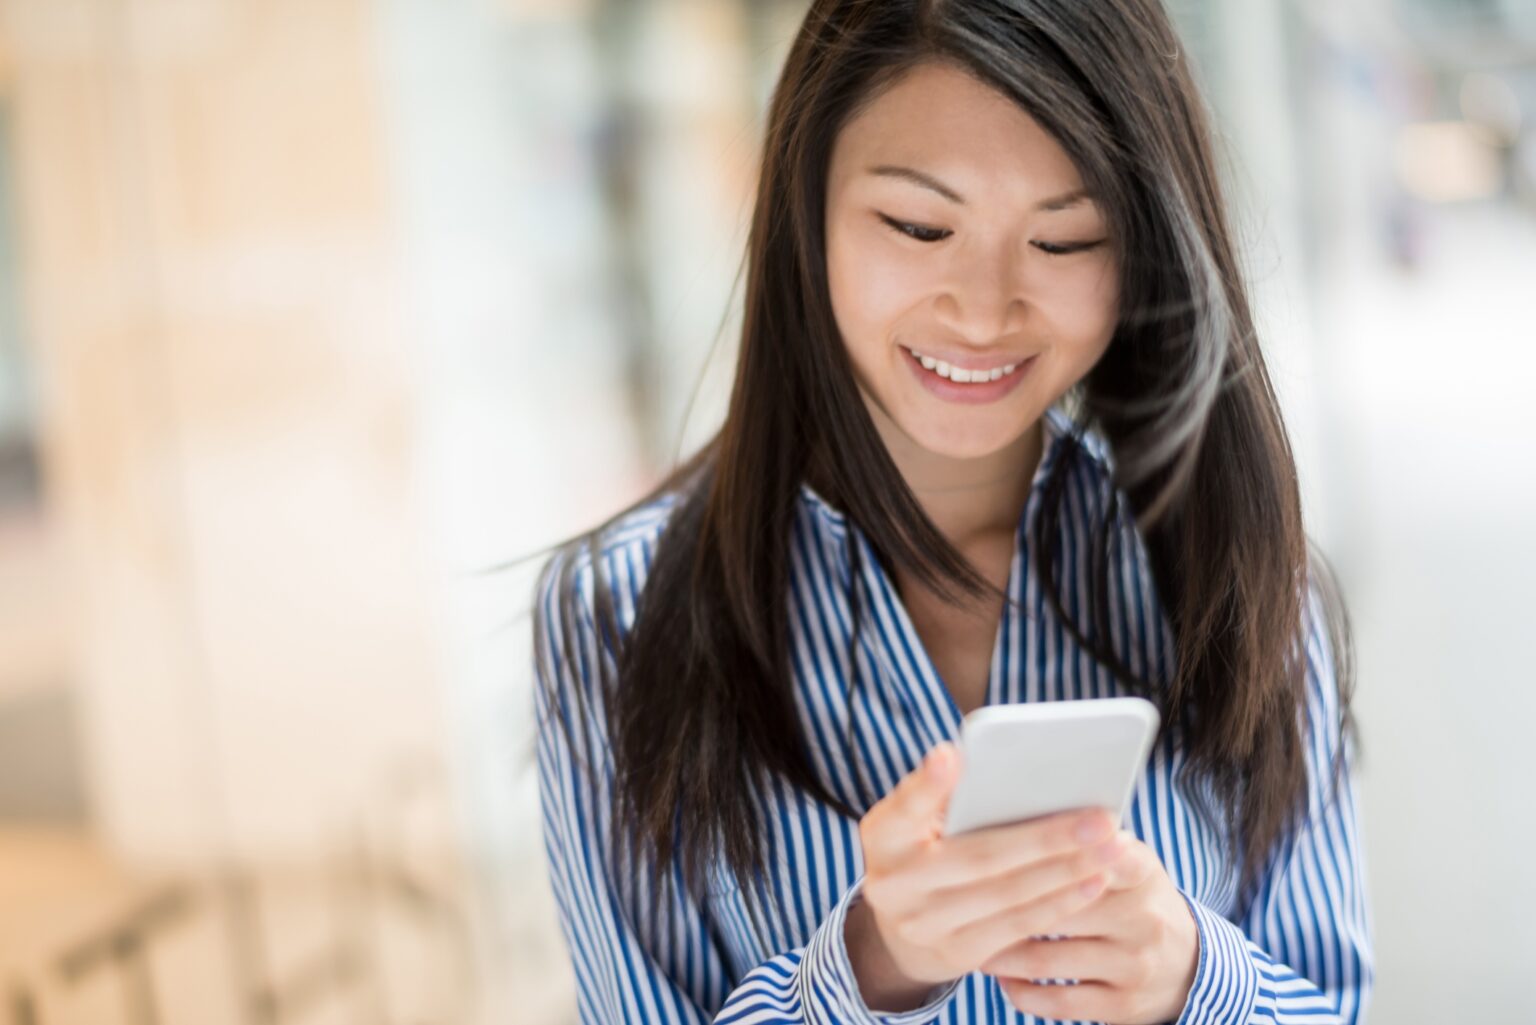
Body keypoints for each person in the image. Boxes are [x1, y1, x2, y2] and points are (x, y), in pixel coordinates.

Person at [529, 1, 1374, 1022]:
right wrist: (867, 966)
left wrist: (1193, 979)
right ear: (805, 218)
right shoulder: (613, 612)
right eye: (919, 226)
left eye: (1065, 239)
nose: (983, 308)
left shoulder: (1238, 578)